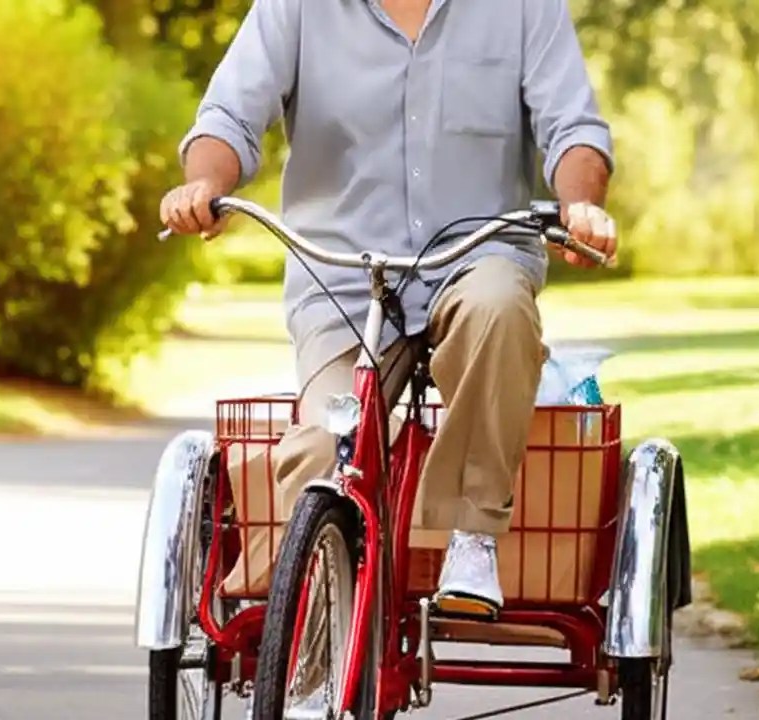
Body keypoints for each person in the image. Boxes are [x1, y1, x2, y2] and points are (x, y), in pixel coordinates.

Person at [160, 0, 616, 623]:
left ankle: (473, 537)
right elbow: (229, 115)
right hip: (344, 274)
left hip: (476, 254)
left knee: (499, 305)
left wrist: (580, 206)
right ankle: (322, 624)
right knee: (327, 444)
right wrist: (203, 186)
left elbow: (574, 129)